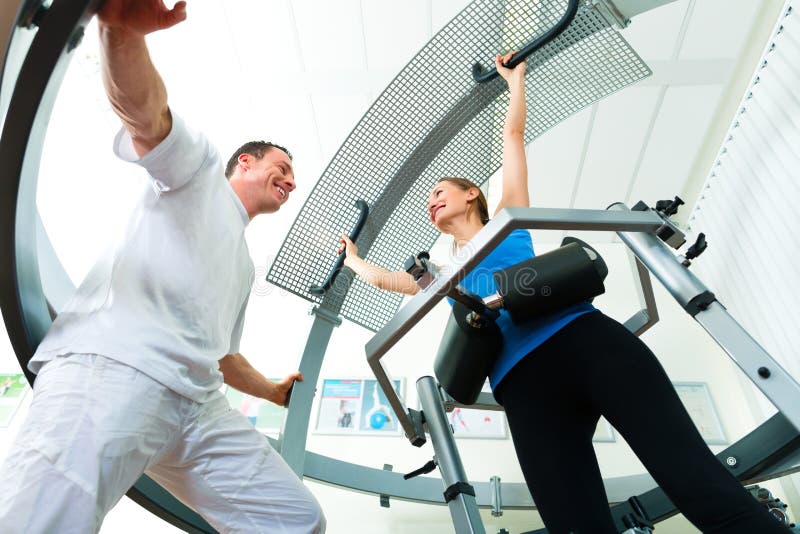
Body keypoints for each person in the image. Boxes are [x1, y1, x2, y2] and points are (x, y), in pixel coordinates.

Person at [338, 52, 789, 533]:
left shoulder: (506, 221)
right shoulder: (441, 272)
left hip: (586, 344)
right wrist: (352, 260)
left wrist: (516, 83)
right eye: (429, 200)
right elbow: (387, 280)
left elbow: (513, 139)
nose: (431, 203)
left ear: (472, 194)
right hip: (523, 388)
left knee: (697, 484)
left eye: (438, 192)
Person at [0, 1, 325, 532]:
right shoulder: (198, 174)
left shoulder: (243, 265)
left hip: (196, 406)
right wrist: (121, 33)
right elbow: (146, 118)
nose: (290, 181)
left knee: (295, 520)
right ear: (245, 161)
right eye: (282, 167)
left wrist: (272, 391)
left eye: (292, 177)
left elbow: (223, 356)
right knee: (42, 523)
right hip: (114, 368)